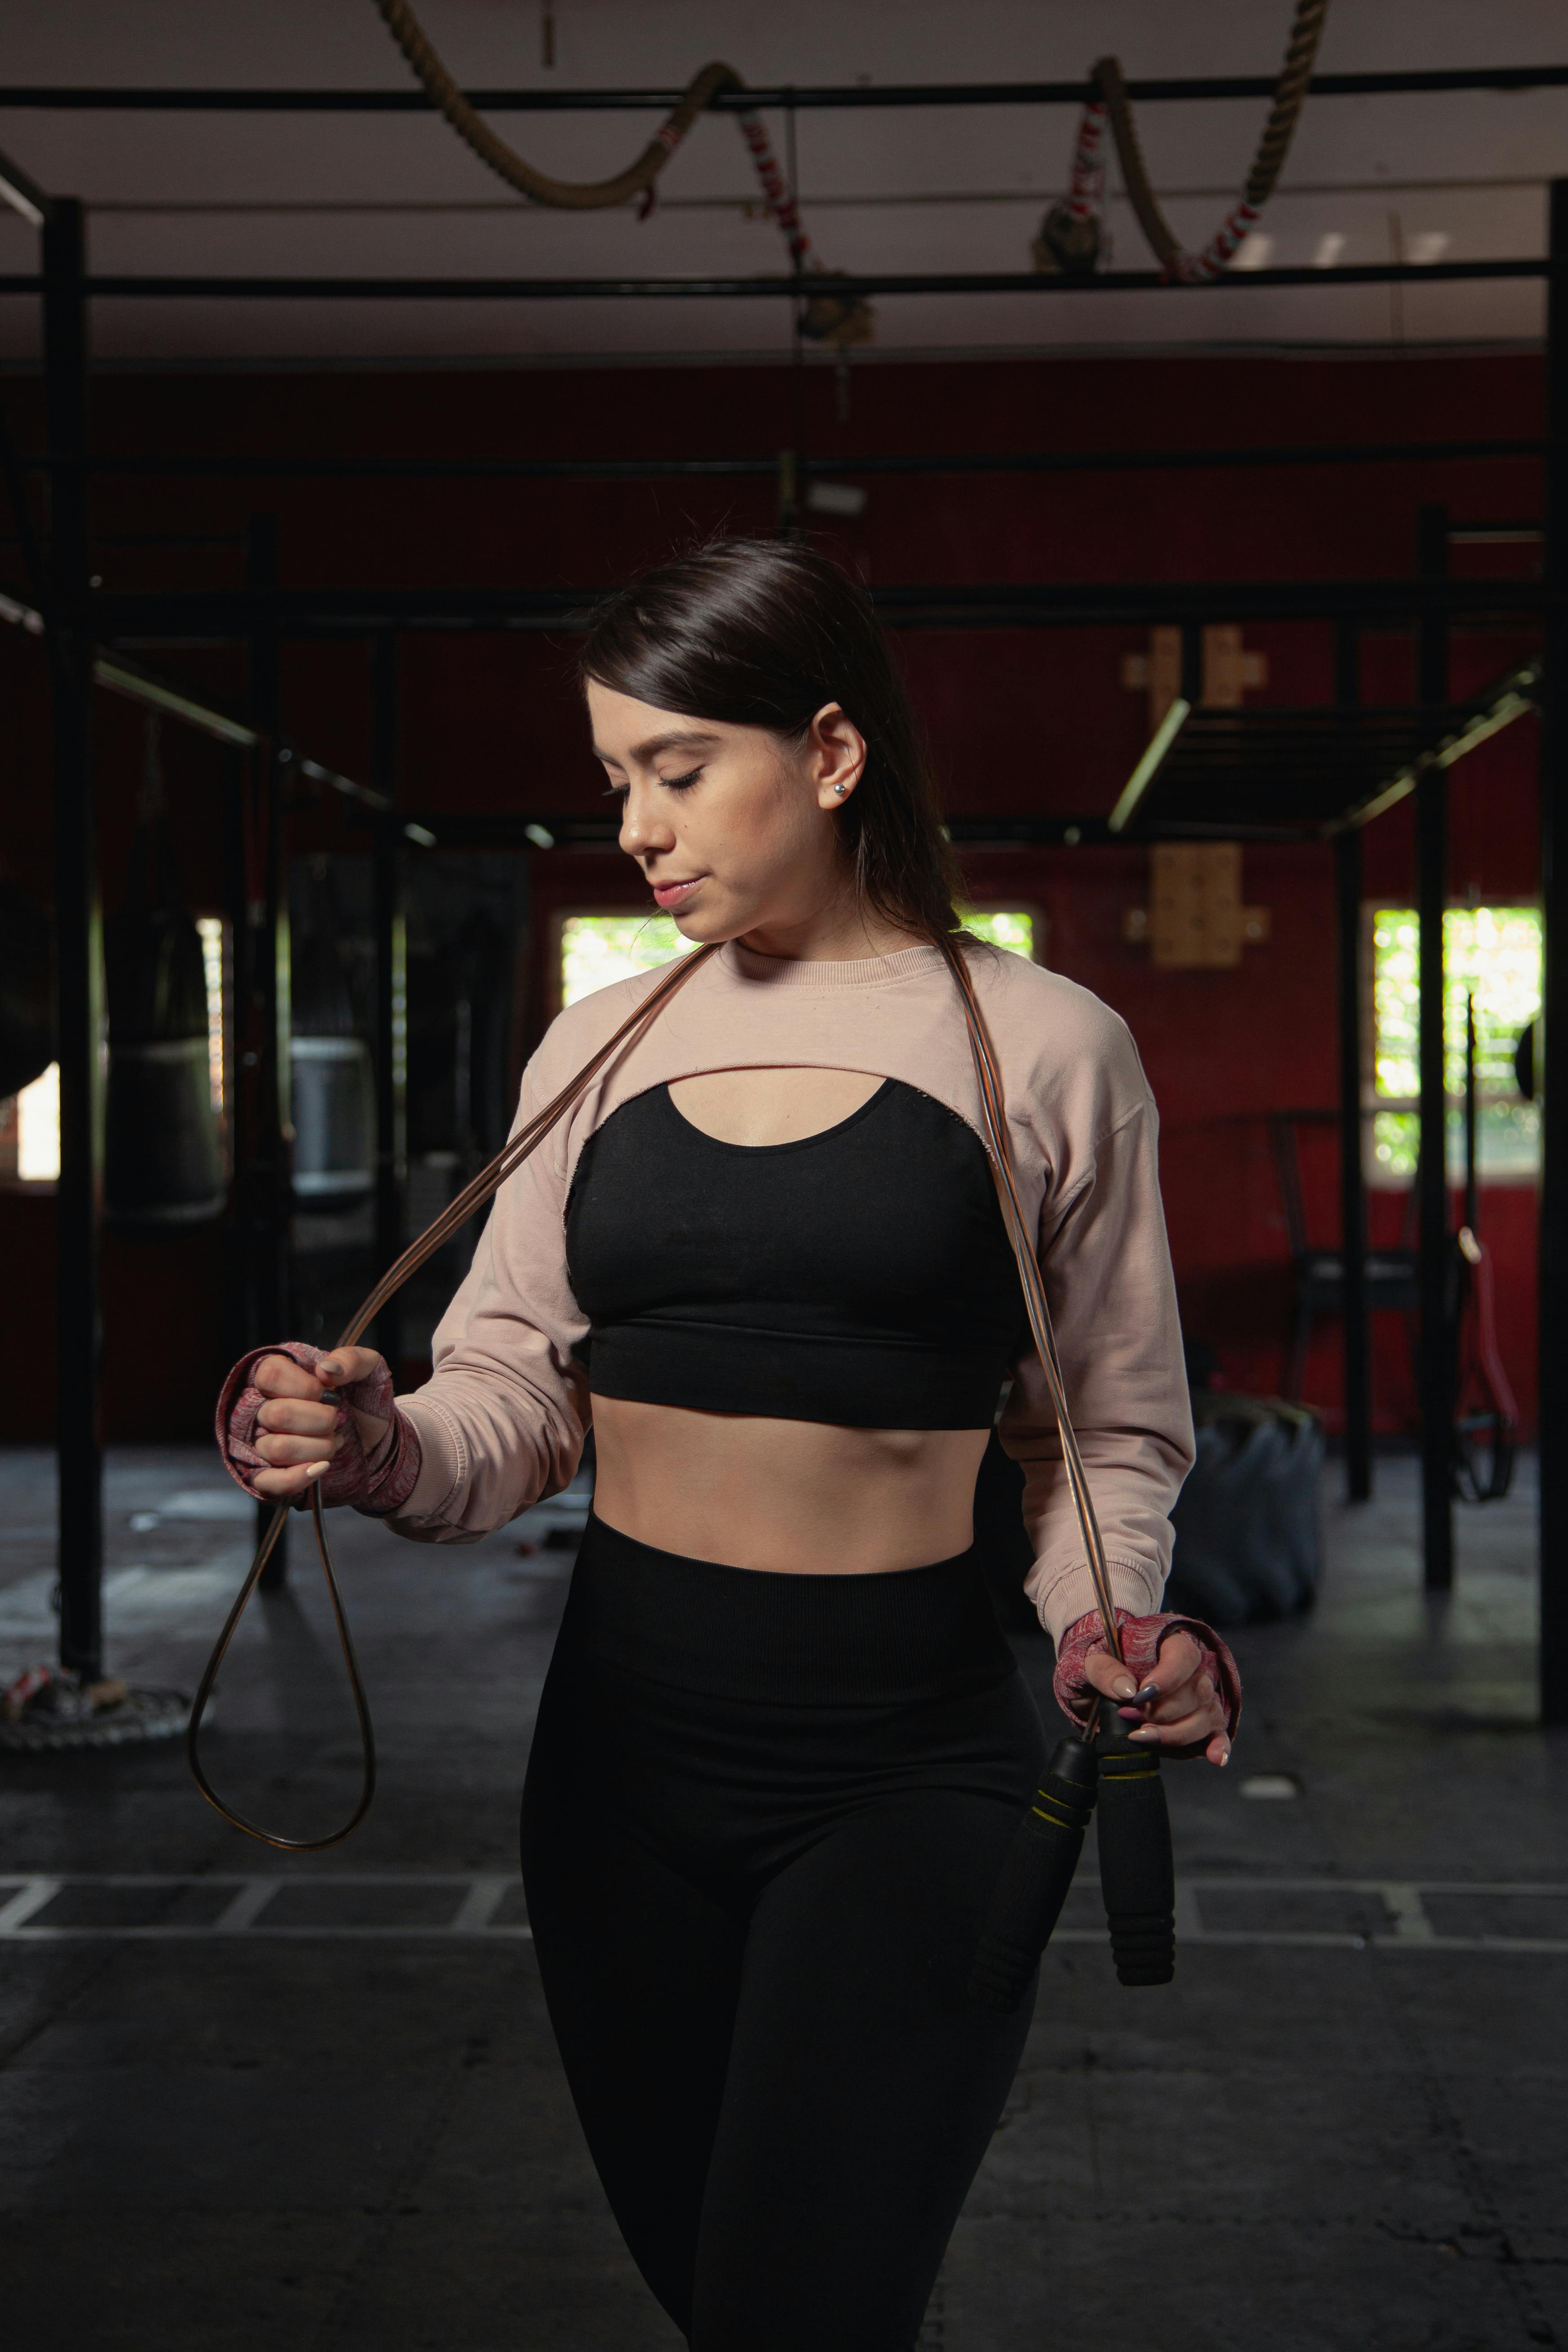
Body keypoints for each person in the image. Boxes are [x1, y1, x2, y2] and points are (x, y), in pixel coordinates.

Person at [216, 537, 1239, 2352]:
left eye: (678, 768)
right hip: (618, 1770)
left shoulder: (1047, 1047)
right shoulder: (592, 1051)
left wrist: (1108, 1620)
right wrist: (377, 1440)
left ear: (833, 755)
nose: (635, 820)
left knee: (801, 2312)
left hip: (909, 1770)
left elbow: (1105, 1435)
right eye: (617, 776)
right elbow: (510, 1404)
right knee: (723, 2295)